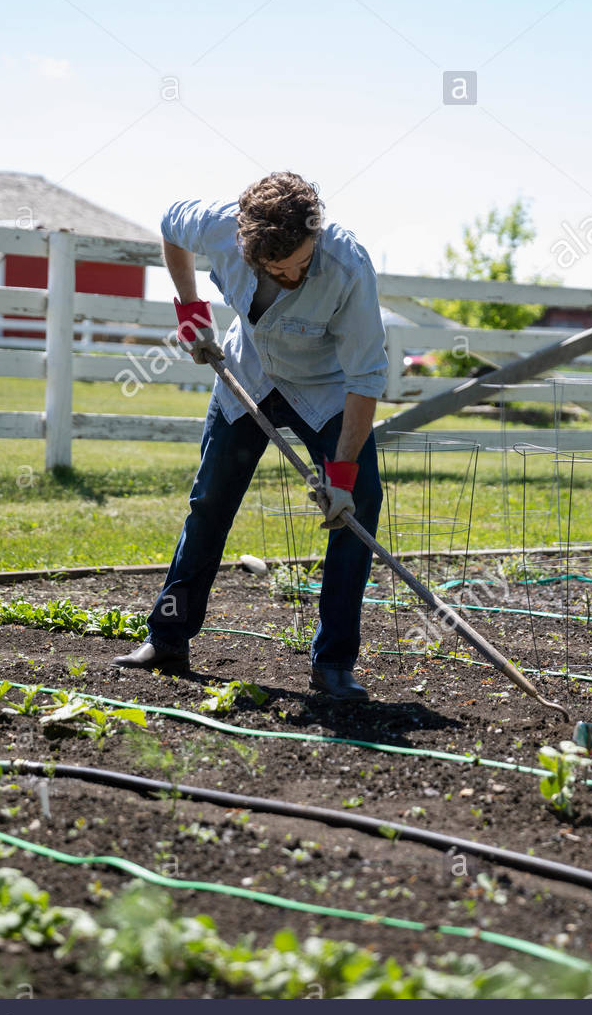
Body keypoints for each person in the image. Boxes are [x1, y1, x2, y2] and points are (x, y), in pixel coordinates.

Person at [113, 172, 387, 700]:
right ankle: (168, 637)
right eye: (281, 270)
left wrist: (343, 476)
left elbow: (365, 378)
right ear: (247, 246)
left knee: (356, 510)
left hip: (325, 390)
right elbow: (171, 226)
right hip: (250, 374)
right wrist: (191, 310)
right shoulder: (218, 226)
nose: (296, 275)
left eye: (305, 264)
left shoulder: (349, 266)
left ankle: (333, 664)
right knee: (210, 502)